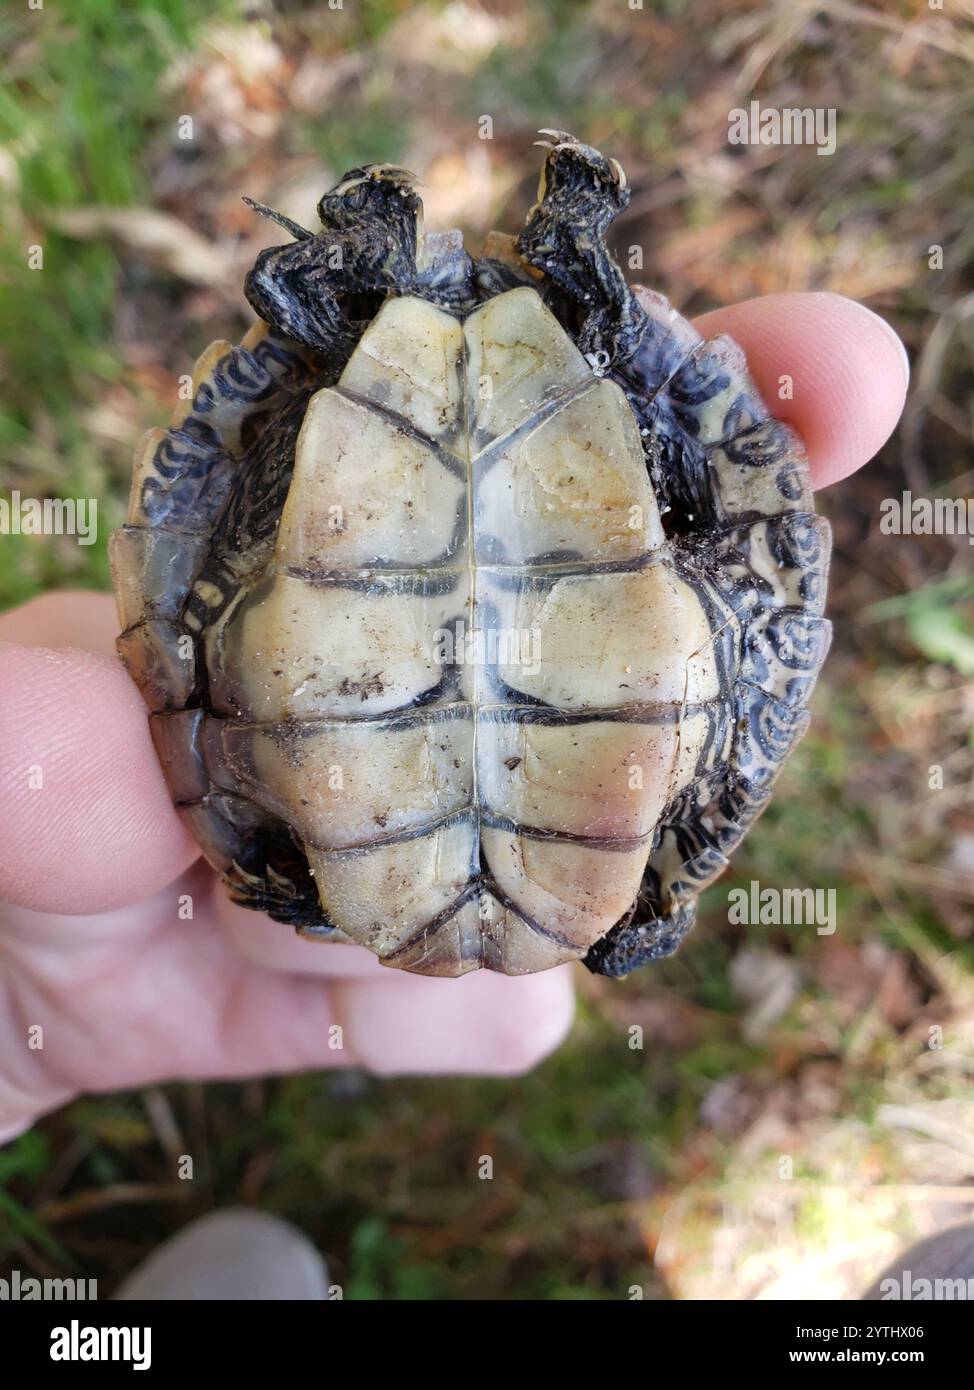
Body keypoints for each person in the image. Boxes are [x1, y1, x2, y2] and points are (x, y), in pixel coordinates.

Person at [0, 291, 909, 1297]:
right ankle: (575, 302)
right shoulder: (274, 842)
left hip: (355, 412)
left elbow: (197, 623)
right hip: (570, 412)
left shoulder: (263, 835)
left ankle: (378, 299)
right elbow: (747, 585)